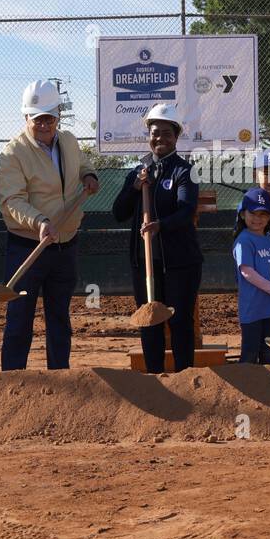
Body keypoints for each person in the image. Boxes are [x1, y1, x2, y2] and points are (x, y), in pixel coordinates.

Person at [0, 81, 99, 370]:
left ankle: (60, 376)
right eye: (37, 118)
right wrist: (39, 221)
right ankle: (13, 380)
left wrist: (89, 175)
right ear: (26, 117)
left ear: (58, 116)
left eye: (49, 118)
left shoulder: (69, 141)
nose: (43, 124)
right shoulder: (12, 154)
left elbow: (82, 164)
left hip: (65, 245)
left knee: (59, 318)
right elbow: (11, 200)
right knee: (19, 319)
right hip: (29, 246)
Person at [112, 103, 203, 373]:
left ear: (176, 136)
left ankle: (184, 377)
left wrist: (160, 225)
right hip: (145, 263)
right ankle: (154, 377)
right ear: (148, 136)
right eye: (155, 133)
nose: (160, 138)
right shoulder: (138, 172)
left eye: (166, 133)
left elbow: (186, 211)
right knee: (150, 321)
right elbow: (118, 213)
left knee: (179, 321)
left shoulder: (184, 171)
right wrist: (133, 188)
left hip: (179, 263)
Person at [233, 187, 270, 365]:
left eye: (263, 214)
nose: (257, 218)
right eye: (252, 213)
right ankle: (247, 383)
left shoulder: (268, 240)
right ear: (242, 214)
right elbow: (247, 272)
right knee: (250, 353)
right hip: (253, 308)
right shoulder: (244, 240)